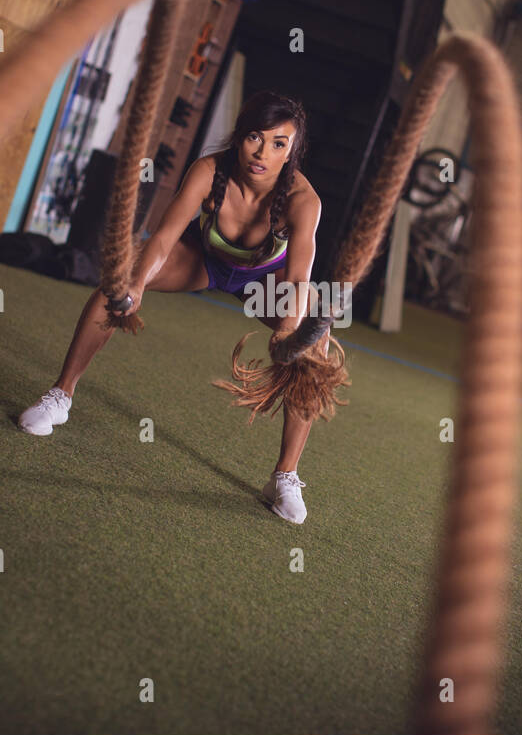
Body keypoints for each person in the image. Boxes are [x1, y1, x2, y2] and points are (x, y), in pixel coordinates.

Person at [18, 91, 325, 524]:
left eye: (279, 143)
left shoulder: (302, 200)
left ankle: (285, 476)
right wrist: (137, 286)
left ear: (292, 151)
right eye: (255, 136)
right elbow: (163, 238)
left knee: (315, 334)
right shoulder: (209, 170)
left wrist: (288, 334)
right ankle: (59, 396)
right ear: (240, 135)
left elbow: (297, 279)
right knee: (122, 274)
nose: (263, 152)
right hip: (204, 262)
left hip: (263, 281)